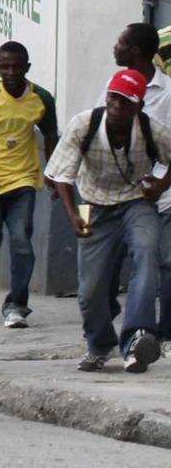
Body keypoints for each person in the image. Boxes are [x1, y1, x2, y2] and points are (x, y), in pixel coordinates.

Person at [46, 66, 171, 373]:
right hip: (95, 207)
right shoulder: (84, 125)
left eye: (125, 101)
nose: (117, 106)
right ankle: (100, 345)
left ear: (138, 106)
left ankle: (137, 340)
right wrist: (73, 215)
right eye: (113, 98)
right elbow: (61, 176)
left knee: (146, 256)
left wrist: (160, 184)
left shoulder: (151, 130)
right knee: (90, 291)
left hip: (136, 204)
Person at [0, 38, 58, 329]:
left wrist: (55, 173)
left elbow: (51, 136)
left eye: (17, 67)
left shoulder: (41, 98)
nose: (11, 72)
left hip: (23, 178)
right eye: (5, 67)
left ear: (27, 68)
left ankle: (16, 305)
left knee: (21, 239)